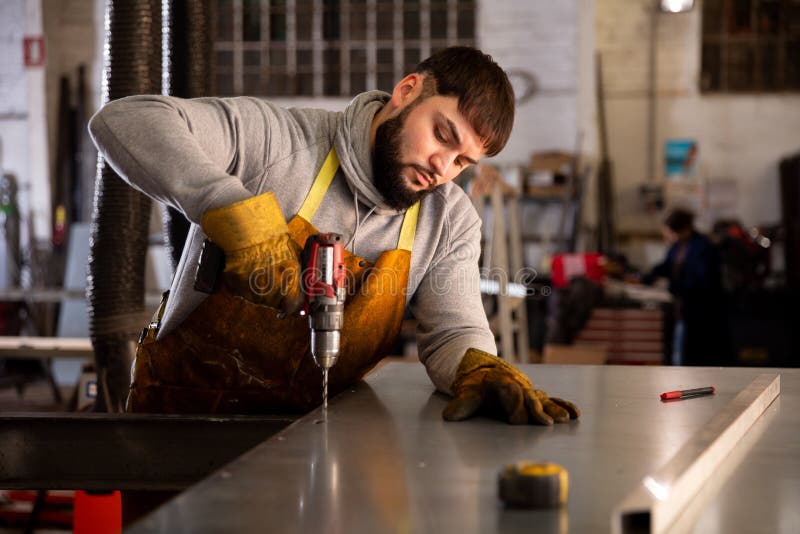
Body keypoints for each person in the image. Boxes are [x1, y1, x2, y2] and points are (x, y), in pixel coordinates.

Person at [89, 46, 579, 426]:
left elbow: (453, 331)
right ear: (408, 91)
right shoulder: (276, 142)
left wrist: (477, 367)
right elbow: (125, 119)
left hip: (318, 436)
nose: (442, 168)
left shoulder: (448, 220)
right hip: (184, 426)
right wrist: (230, 208)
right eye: (442, 135)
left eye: (462, 162)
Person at [643, 208, 729, 366]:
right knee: (680, 355)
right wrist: (646, 277)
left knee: (693, 359)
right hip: (683, 310)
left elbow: (703, 283)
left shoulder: (703, 247)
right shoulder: (678, 246)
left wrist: (671, 286)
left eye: (670, 233)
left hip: (702, 313)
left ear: (683, 229)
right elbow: (667, 265)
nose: (668, 237)